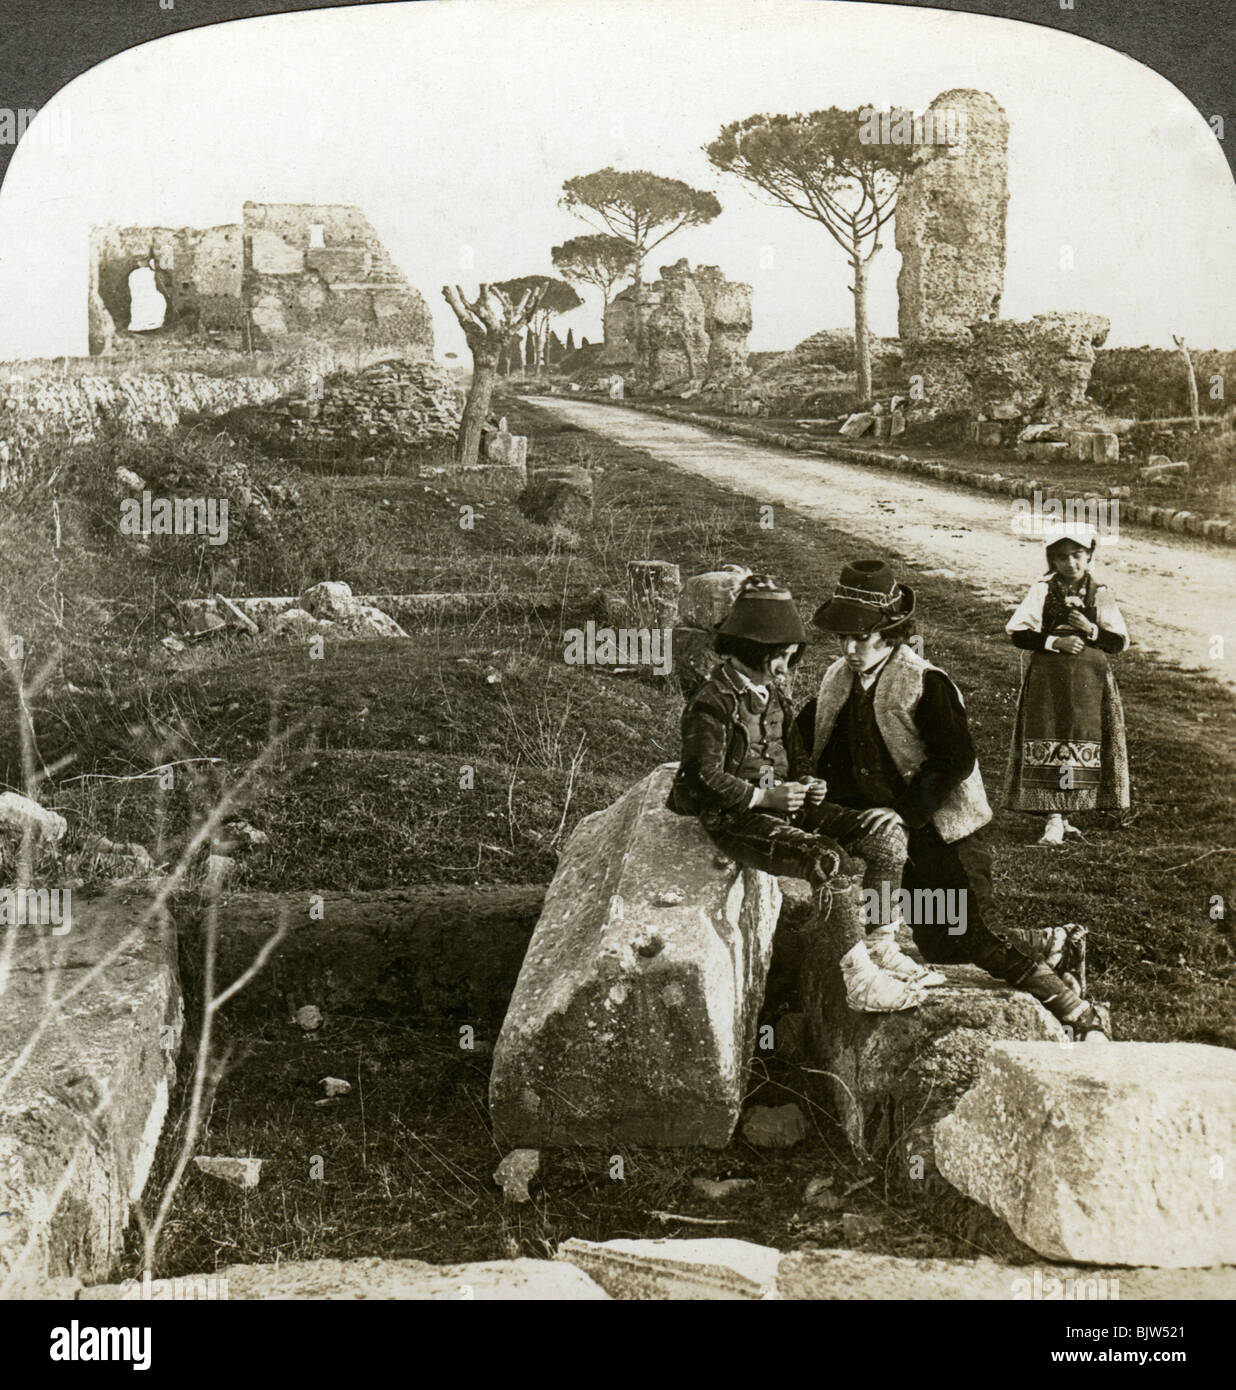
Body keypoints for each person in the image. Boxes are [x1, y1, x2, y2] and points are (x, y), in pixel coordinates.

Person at [796, 559, 1108, 1040]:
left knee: (973, 935)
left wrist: (903, 810)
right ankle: (1053, 942)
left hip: (943, 830)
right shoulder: (837, 680)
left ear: (892, 632)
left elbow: (956, 758)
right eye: (842, 638)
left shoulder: (923, 681)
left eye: (862, 637)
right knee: (939, 941)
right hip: (896, 838)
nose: (851, 648)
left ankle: (1076, 1011)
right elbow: (821, 742)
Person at [666, 574, 938, 1013]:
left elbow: (797, 752)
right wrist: (763, 799)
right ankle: (860, 981)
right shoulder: (711, 702)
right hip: (736, 818)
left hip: (785, 806)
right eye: (785, 656)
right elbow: (700, 778)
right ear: (759, 651)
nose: (789, 665)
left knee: (887, 839)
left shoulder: (775, 694)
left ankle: (882, 943)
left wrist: (810, 782)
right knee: (826, 860)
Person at [1005, 521, 1130, 844]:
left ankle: (1070, 812)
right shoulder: (1043, 590)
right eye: (1061, 557)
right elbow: (1018, 633)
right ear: (1052, 559)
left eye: (1077, 555)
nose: (1070, 563)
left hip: (1089, 681)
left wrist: (1090, 630)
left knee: (1082, 737)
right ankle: (1052, 816)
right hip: (1049, 679)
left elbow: (1117, 642)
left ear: (1089, 556)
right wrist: (1052, 642)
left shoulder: (1100, 593)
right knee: (1050, 732)